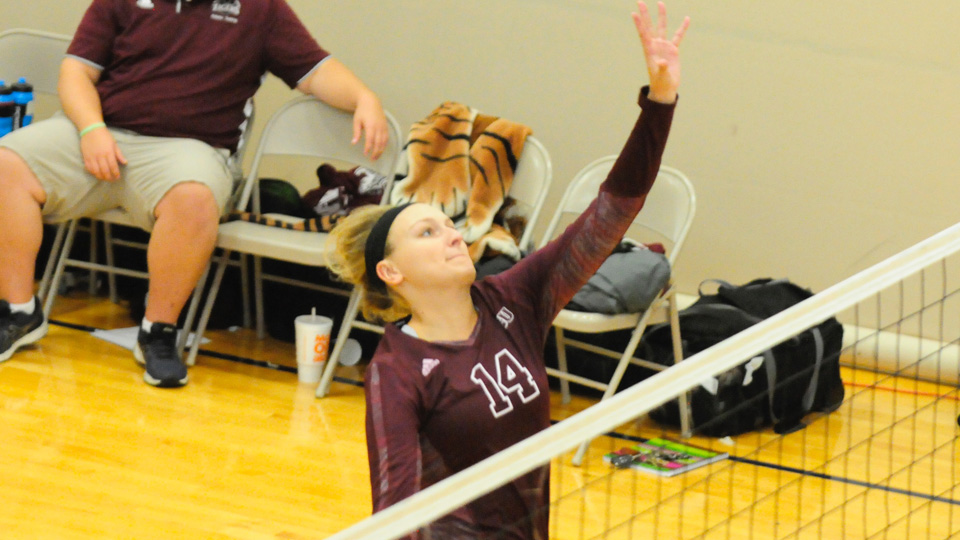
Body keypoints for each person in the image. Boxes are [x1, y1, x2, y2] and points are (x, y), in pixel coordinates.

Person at [324, 2, 689, 537]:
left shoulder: (514, 300)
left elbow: (613, 210)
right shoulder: (396, 374)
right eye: (426, 233)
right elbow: (394, 512)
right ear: (392, 273)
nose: (452, 234)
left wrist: (660, 100)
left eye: (447, 224)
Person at [0, 0, 388, 387]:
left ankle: (158, 332)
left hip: (189, 148)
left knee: (195, 198)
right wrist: (91, 129)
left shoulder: (261, 9)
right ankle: (19, 311)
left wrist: (363, 97)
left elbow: (316, 72)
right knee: (6, 164)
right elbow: (76, 71)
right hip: (96, 132)